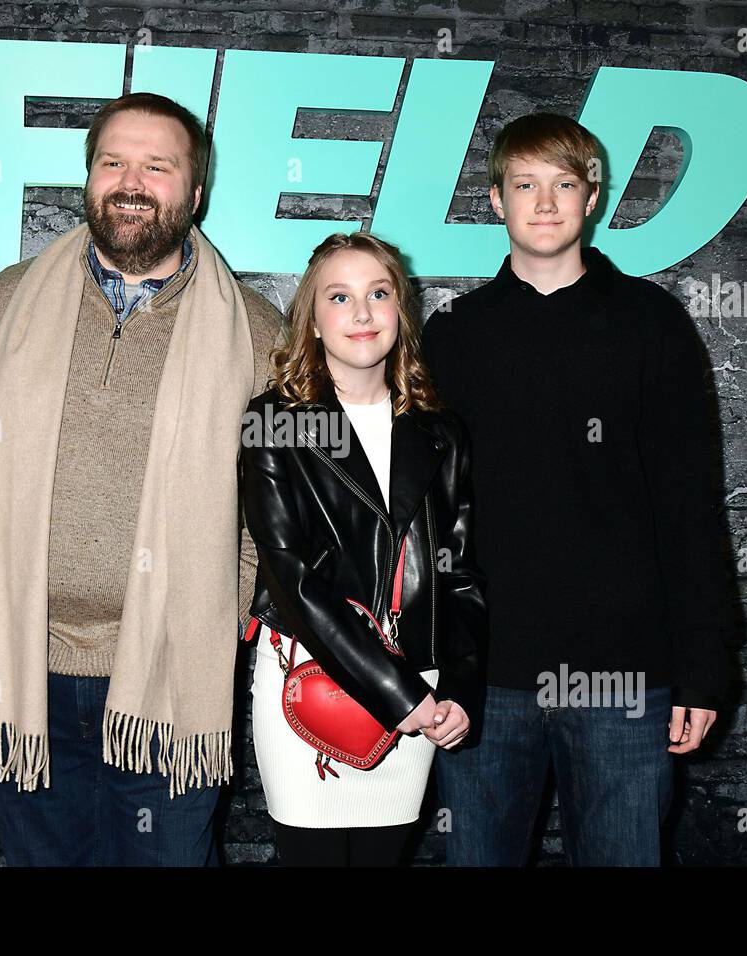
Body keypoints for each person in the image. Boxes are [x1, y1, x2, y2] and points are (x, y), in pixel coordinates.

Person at [0, 92, 285, 866]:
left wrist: (228, 600)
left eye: (157, 166)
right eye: (114, 163)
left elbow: (272, 511)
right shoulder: (8, 303)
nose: (131, 183)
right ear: (88, 178)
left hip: (171, 675)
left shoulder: (255, 329)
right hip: (23, 671)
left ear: (195, 191)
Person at [422, 113, 736, 866]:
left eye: (565, 184)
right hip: (485, 674)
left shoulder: (651, 324)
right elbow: (422, 514)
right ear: (496, 200)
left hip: (624, 671)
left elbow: (690, 506)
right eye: (525, 184)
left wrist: (704, 666)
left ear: (592, 197)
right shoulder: (453, 335)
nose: (546, 202)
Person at [240, 231, 488, 867]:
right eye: (340, 296)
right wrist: (398, 695)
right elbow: (291, 579)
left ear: (400, 311)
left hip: (425, 686)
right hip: (311, 676)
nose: (361, 312)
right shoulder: (274, 422)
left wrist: (456, 687)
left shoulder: (441, 431)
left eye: (379, 293)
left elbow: (459, 574)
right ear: (313, 321)